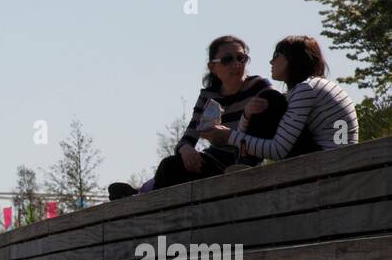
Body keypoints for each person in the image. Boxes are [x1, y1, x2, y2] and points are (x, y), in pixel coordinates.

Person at [138, 35, 275, 194]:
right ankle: (142, 194)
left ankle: (141, 193)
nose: (236, 64)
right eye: (227, 60)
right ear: (212, 67)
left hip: (244, 164)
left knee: (170, 169)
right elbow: (188, 138)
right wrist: (186, 149)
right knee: (170, 165)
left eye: (241, 58)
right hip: (214, 162)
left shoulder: (259, 87)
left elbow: (276, 116)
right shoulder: (208, 96)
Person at [202, 35, 358, 161]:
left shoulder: (306, 89)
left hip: (330, 161)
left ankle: (244, 167)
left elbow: (278, 150)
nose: (271, 61)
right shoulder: (309, 88)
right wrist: (247, 115)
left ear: (292, 58)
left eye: (276, 55)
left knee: (269, 99)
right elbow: (248, 134)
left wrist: (228, 136)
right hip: (332, 158)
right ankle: (243, 165)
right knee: (266, 104)